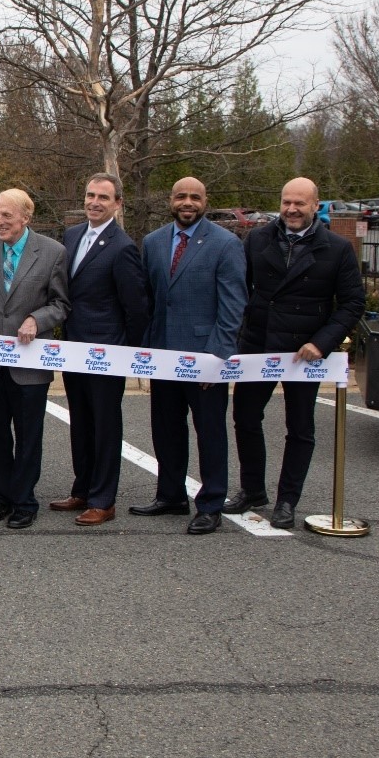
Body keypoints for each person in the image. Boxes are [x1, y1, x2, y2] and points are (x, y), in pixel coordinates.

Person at [229, 177, 364, 529]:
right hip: (258, 345)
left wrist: (322, 342)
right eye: (286, 201)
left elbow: (352, 303)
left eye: (299, 203)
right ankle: (252, 489)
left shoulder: (337, 248)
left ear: (315, 205)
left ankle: (288, 499)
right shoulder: (257, 239)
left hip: (305, 354)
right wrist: (237, 336)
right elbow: (240, 290)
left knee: (300, 428)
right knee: (245, 419)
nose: (291, 209)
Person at [132, 176, 247, 535]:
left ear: (205, 201)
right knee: (166, 429)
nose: (187, 202)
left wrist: (218, 357)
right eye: (180, 195)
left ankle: (211, 503)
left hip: (204, 358)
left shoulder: (225, 244)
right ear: (171, 199)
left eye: (194, 197)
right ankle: (170, 495)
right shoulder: (153, 242)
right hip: (164, 354)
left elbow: (233, 305)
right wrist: (145, 351)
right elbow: (149, 300)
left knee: (210, 431)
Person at [0, 189, 70, 528]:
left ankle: (24, 501)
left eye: (6, 215)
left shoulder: (53, 252)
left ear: (26, 217)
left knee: (28, 438)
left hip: (30, 365)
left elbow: (60, 304)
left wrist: (36, 320)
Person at [54, 173, 149, 526]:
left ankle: (104, 499)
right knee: (80, 422)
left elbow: (135, 307)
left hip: (107, 352)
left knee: (105, 425)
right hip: (73, 347)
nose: (94, 202)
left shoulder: (123, 247)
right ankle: (83, 489)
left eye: (103, 197)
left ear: (117, 204)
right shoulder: (73, 235)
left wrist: (127, 352)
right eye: (90, 195)